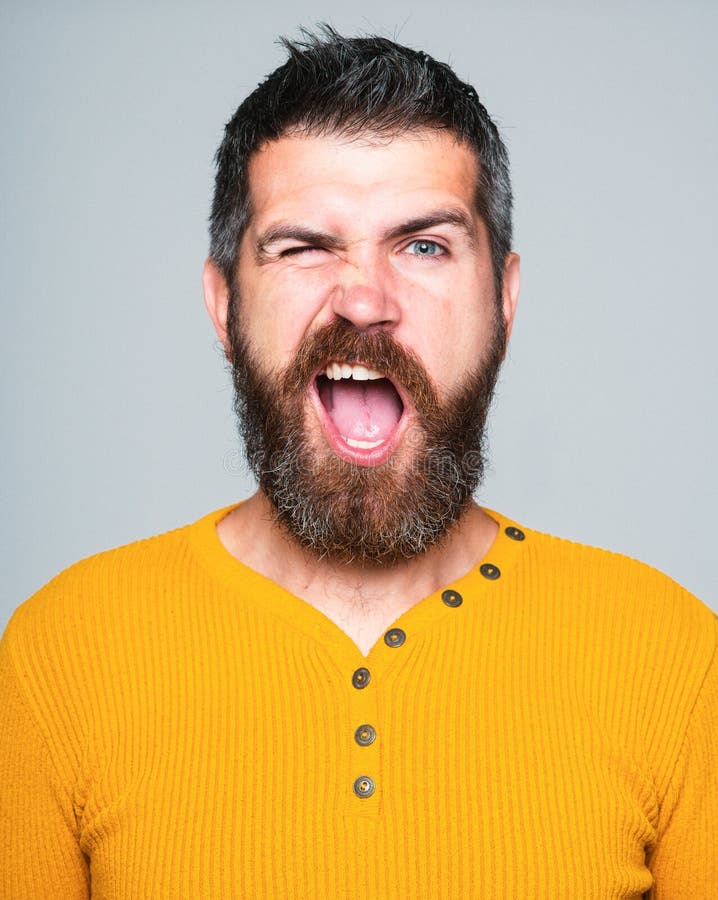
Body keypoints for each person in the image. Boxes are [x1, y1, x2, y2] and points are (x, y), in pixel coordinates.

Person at [1, 26, 715, 900]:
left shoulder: (676, 660)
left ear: (505, 300)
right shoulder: (57, 658)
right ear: (224, 307)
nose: (366, 299)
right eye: (304, 246)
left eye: (423, 245)